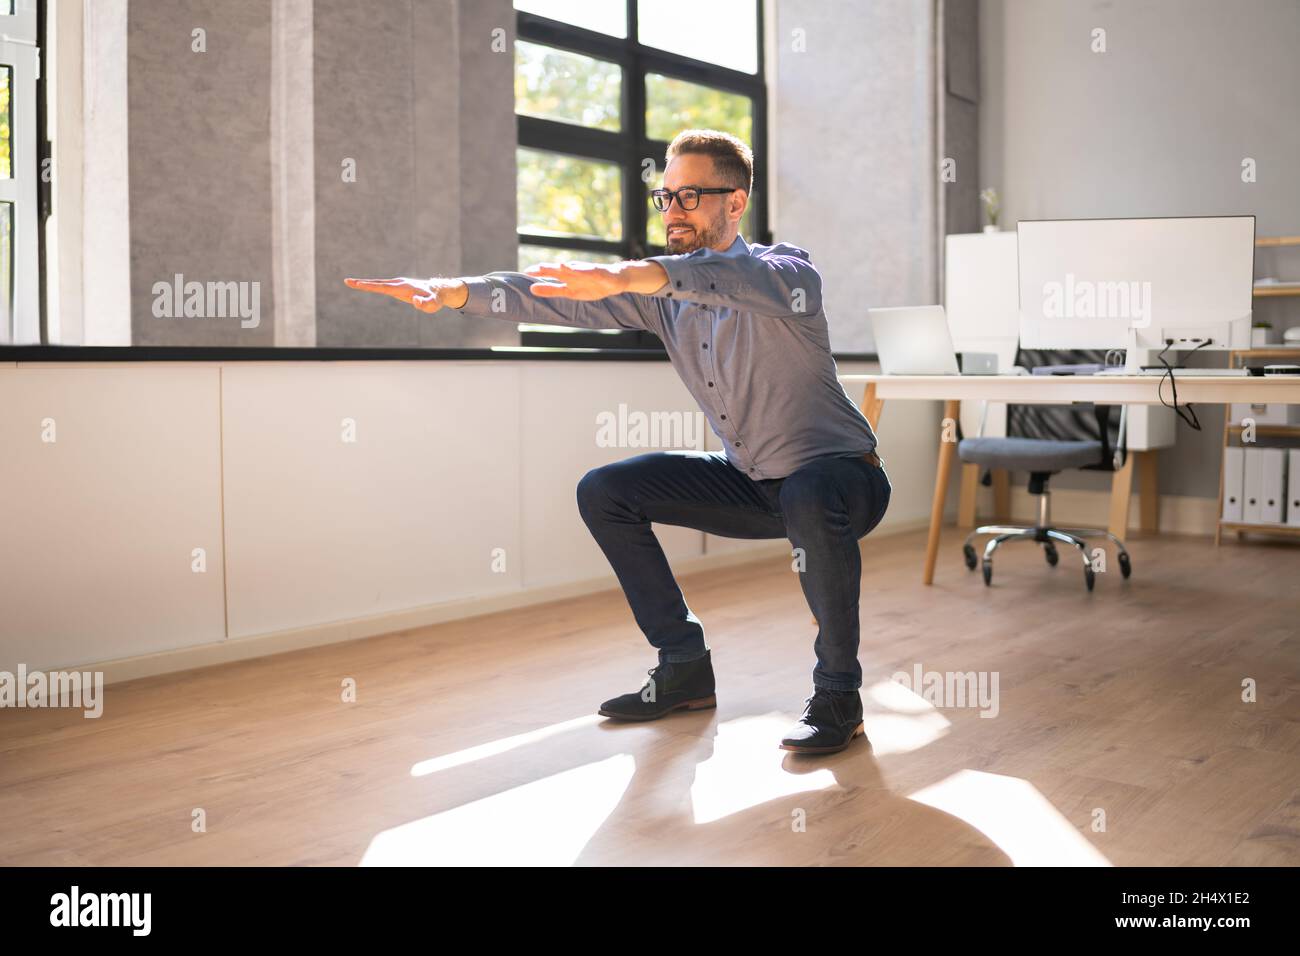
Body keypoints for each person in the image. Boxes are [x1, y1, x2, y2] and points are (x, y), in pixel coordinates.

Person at [346, 129, 890, 754]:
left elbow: (721, 279)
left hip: (845, 478)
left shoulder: (787, 275)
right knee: (607, 491)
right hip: (756, 482)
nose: (673, 209)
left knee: (810, 490)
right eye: (666, 196)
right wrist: (457, 292)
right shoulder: (662, 301)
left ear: (735, 202)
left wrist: (624, 275)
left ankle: (839, 694)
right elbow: (550, 298)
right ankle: (683, 665)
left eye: (689, 194)